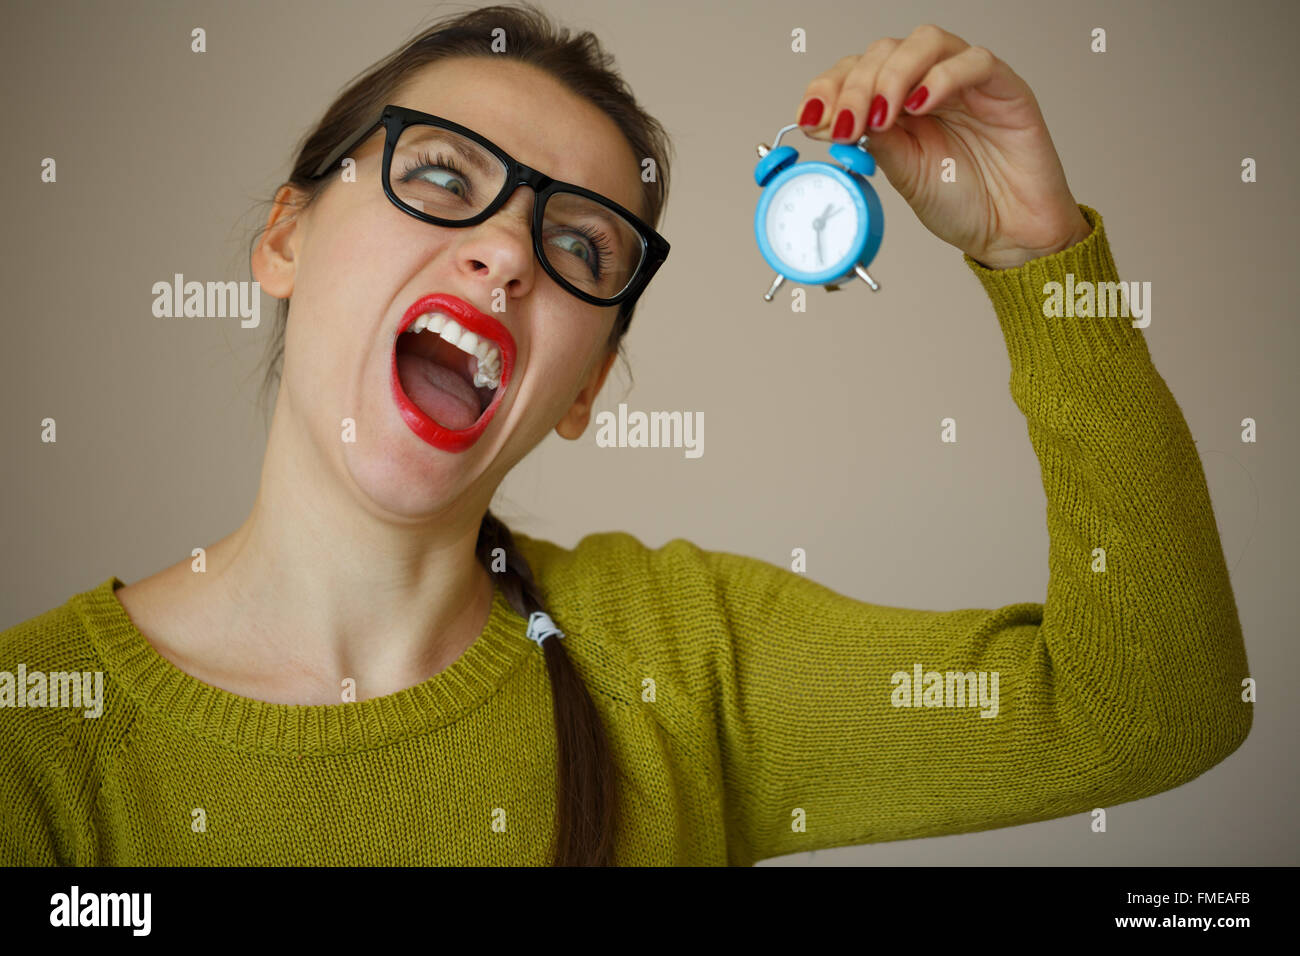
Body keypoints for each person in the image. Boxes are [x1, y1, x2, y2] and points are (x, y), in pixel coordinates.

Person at [0, 4, 1250, 867]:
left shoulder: (684, 658)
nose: (502, 252)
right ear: (285, 237)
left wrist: (1039, 257)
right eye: (441, 178)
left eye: (579, 244)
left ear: (587, 384)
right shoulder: (35, 732)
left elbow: (1151, 707)